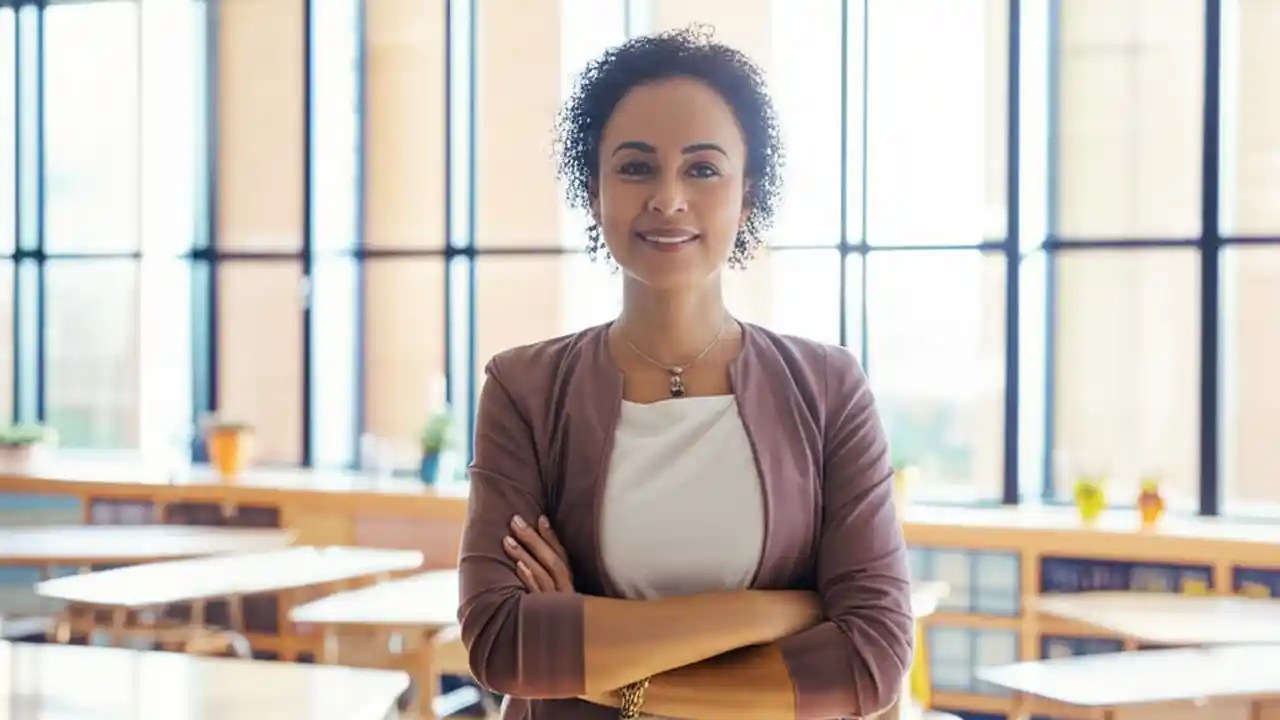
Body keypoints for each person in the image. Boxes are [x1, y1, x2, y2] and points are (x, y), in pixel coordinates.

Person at [457, 26, 913, 720]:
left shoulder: (827, 388)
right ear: (595, 190)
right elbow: (502, 643)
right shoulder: (524, 389)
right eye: (635, 167)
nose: (668, 198)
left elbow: (870, 662)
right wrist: (776, 612)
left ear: (746, 193)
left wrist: (591, 667)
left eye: (702, 169)